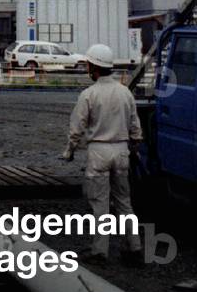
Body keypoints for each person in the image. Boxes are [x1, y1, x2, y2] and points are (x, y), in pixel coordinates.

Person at [61, 43, 144, 266]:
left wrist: (69, 151)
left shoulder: (89, 94)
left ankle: (100, 251)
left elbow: (76, 127)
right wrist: (134, 146)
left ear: (94, 67)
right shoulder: (125, 92)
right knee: (124, 202)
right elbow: (135, 126)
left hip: (98, 152)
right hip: (122, 151)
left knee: (100, 205)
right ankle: (134, 247)